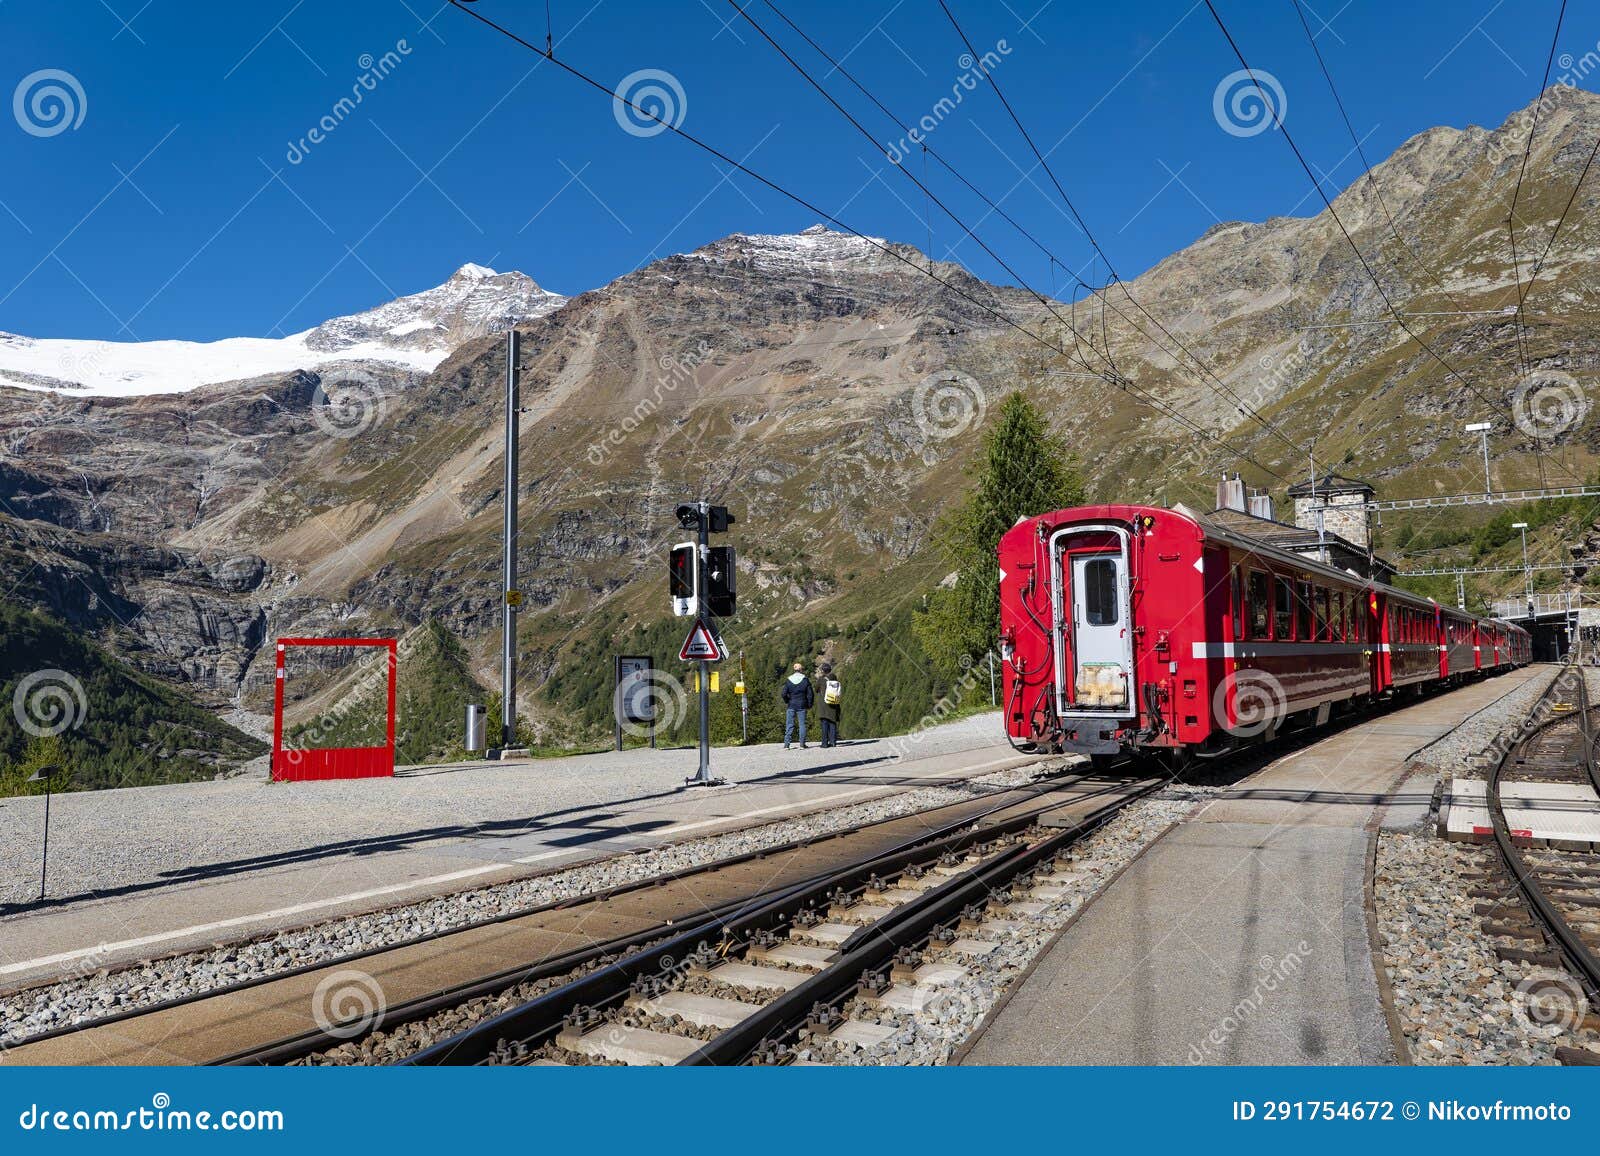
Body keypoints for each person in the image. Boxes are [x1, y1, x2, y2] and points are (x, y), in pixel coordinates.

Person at [781, 661, 813, 748]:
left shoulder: (789, 680)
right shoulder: (805, 680)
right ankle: (802, 744)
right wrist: (809, 704)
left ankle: (787, 744)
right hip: (802, 704)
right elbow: (810, 694)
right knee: (802, 725)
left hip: (791, 704)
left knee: (789, 724)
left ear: (794, 670)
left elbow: (783, 694)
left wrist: (787, 701)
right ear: (801, 670)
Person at [816, 662, 841, 748]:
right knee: (832, 722)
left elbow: (816, 689)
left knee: (824, 723)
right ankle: (833, 742)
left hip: (824, 704)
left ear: (823, 670)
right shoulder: (834, 678)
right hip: (833, 703)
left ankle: (824, 743)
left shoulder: (821, 679)